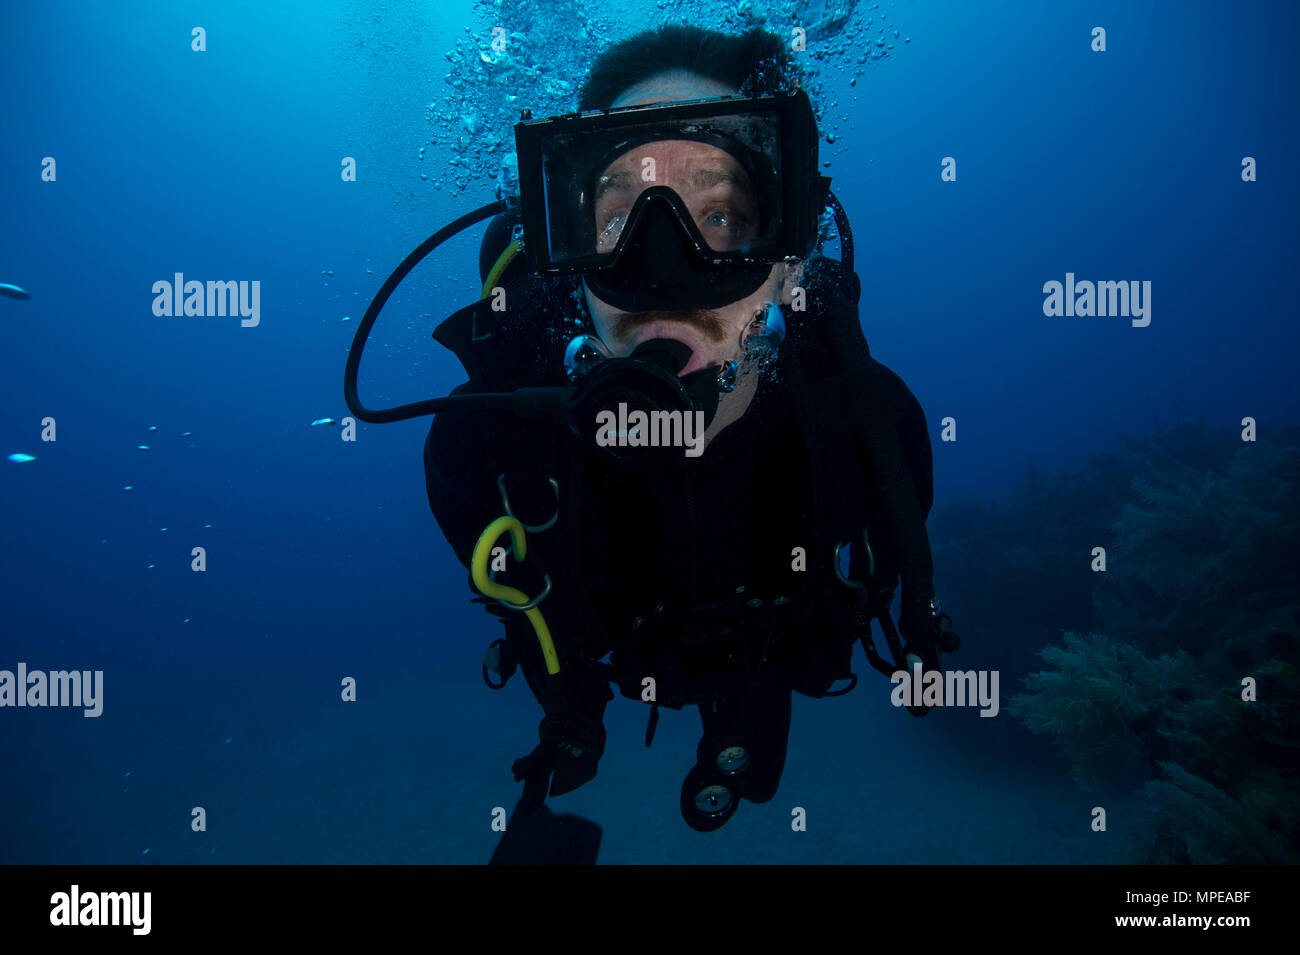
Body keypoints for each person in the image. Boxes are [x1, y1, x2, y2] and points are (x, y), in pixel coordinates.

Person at [345, 25, 959, 848]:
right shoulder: (481, 452)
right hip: (599, 663)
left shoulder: (871, 435)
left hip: (754, 664)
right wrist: (571, 709)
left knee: (754, 752)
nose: (663, 270)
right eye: (616, 222)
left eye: (721, 214)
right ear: (567, 261)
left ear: (790, 260)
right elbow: (526, 614)